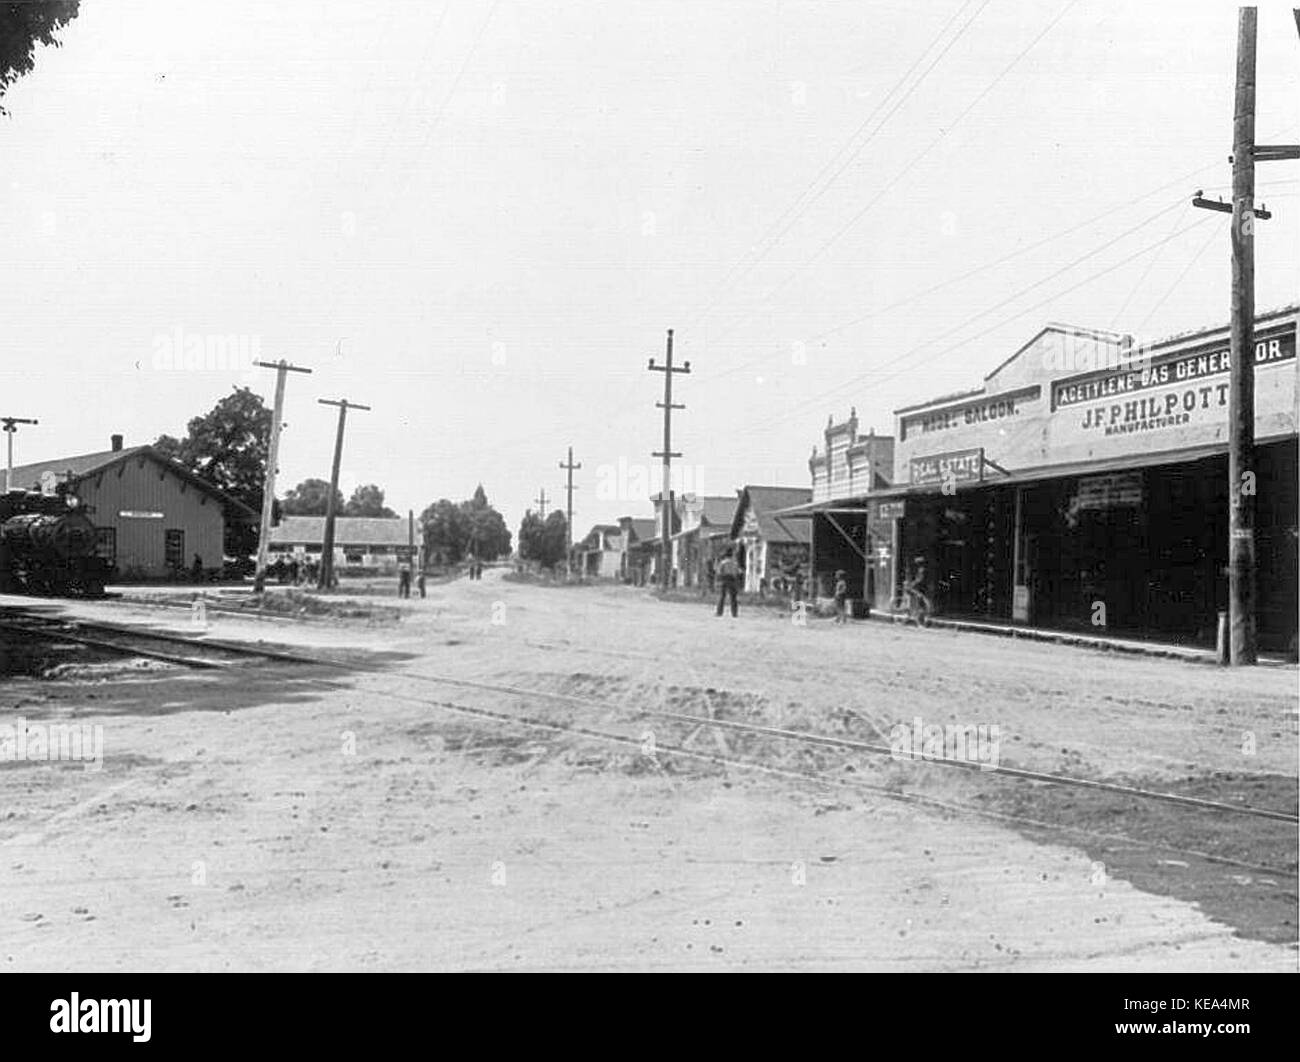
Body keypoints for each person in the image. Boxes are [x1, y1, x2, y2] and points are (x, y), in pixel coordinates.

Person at [715, 548, 740, 618]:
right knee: (733, 597)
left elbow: (719, 572)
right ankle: (734, 613)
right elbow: (737, 572)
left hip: (724, 579)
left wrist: (718, 580)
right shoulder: (735, 563)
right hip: (732, 580)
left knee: (722, 596)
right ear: (732, 555)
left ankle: (719, 612)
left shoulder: (723, 563)